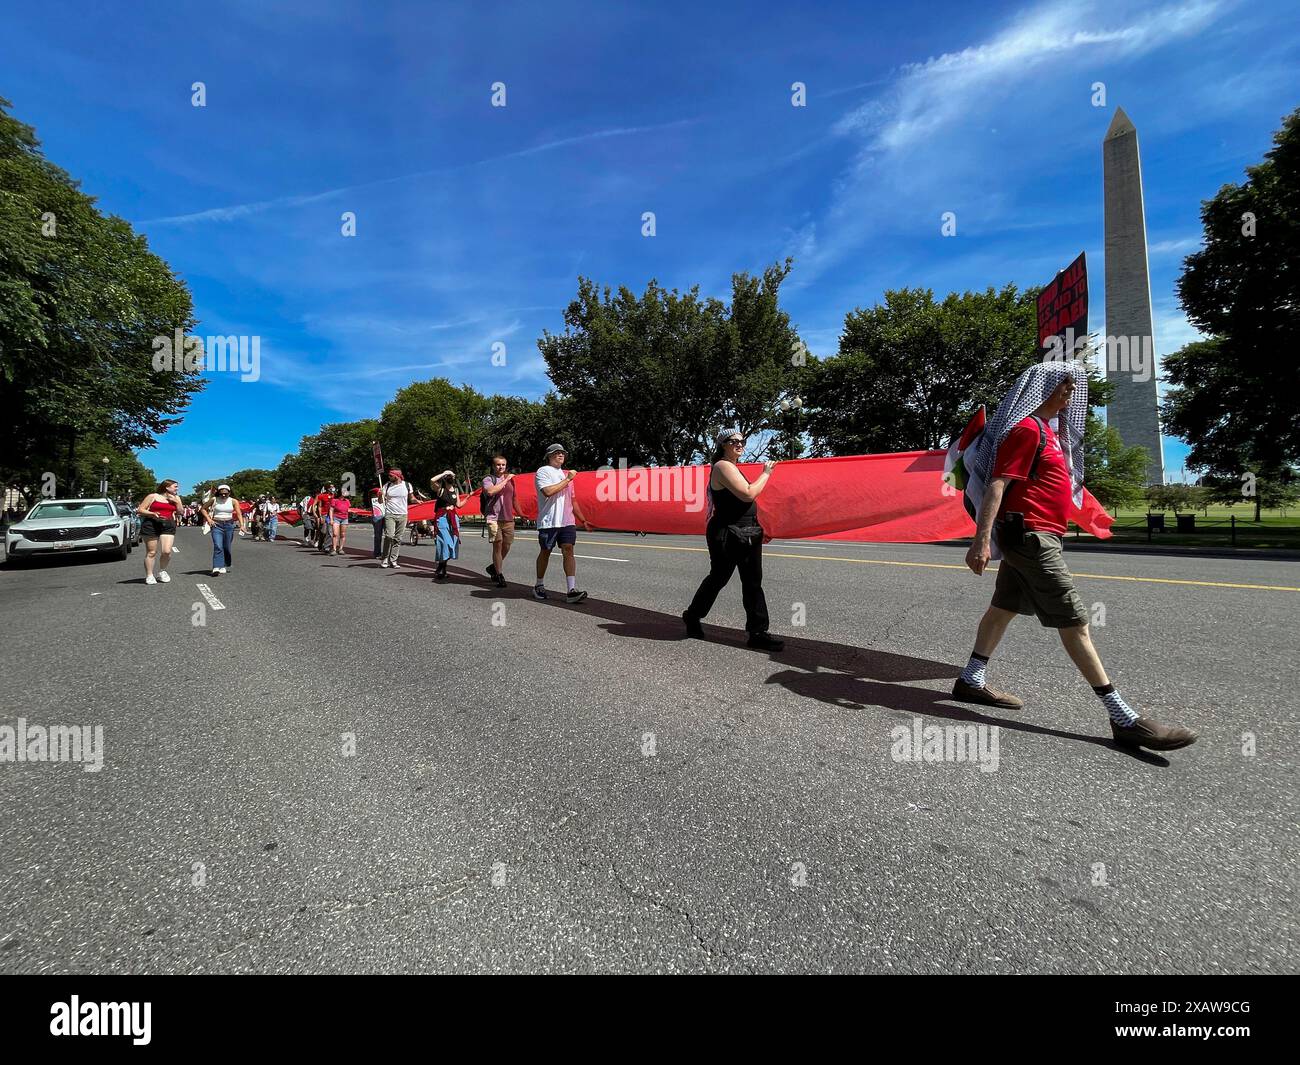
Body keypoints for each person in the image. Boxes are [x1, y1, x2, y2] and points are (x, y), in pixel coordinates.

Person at [954, 360, 1197, 752]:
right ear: (1043, 389)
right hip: (1031, 539)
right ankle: (1123, 717)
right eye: (1064, 385)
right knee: (1075, 622)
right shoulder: (1027, 430)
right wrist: (981, 540)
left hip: (1039, 536)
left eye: (1072, 386)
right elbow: (998, 484)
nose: (1070, 392)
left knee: (1002, 609)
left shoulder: (1050, 433)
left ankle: (970, 680)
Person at [682, 430, 784, 651]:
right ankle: (692, 616)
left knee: (752, 581)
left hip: (748, 530)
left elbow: (745, 504)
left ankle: (757, 632)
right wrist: (766, 472)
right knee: (719, 578)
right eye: (733, 441)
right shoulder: (722, 466)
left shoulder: (733, 466)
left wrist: (759, 527)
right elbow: (748, 493)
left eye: (741, 441)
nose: (739, 444)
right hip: (728, 533)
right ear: (722, 445)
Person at [533, 443, 590, 604]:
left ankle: (571, 590)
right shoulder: (543, 471)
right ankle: (539, 584)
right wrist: (567, 479)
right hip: (549, 520)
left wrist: (583, 519)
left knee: (569, 550)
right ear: (549, 456)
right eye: (557, 453)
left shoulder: (567, 475)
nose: (560, 455)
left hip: (567, 521)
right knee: (546, 551)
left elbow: (573, 500)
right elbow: (548, 492)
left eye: (563, 453)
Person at [481, 454, 519, 589]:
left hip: (508, 518)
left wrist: (521, 513)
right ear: (493, 466)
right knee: (498, 545)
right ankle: (499, 574)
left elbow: (514, 498)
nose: (501, 467)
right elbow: (491, 492)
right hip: (494, 518)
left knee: (507, 545)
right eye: (498, 464)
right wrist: (506, 479)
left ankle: (493, 567)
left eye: (503, 464)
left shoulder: (511, 480)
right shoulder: (488, 479)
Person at [136, 478, 182, 585]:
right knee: (151, 552)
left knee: (166, 551)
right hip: (151, 524)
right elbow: (140, 510)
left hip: (168, 524)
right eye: (175, 486)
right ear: (167, 487)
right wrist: (152, 514)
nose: (177, 488)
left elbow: (180, 512)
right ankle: (149, 575)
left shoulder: (176, 498)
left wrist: (176, 502)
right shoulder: (153, 496)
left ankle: (162, 571)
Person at [380, 467, 422, 569]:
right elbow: (381, 501)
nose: (389, 477)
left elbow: (411, 498)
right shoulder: (387, 485)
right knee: (389, 536)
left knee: (398, 539)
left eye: (391, 475)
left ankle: (393, 560)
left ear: (397, 476)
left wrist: (418, 501)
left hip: (403, 515)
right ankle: (385, 558)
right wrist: (380, 495)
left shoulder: (407, 485)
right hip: (390, 514)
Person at [200, 484, 246, 575]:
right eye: (222, 493)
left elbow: (239, 513)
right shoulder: (214, 500)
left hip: (229, 525)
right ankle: (216, 566)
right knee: (218, 545)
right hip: (217, 525)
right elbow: (203, 509)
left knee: (226, 547)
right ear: (218, 493)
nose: (224, 495)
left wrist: (242, 525)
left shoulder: (233, 501)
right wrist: (209, 519)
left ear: (229, 493)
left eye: (226, 493)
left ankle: (224, 564)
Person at [429, 470, 461, 580]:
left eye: (452, 475)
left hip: (453, 518)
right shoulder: (440, 490)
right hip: (442, 518)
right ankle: (442, 569)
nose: (450, 477)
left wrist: (469, 497)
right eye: (448, 476)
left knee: (452, 543)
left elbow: (459, 505)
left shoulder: (456, 490)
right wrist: (443, 473)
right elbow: (432, 480)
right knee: (445, 543)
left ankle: (441, 567)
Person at [370, 488, 384, 558]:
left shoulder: (384, 498)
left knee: (390, 535)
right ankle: (377, 553)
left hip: (386, 516)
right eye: (377, 493)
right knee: (378, 536)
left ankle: (388, 553)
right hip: (377, 517)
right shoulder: (374, 501)